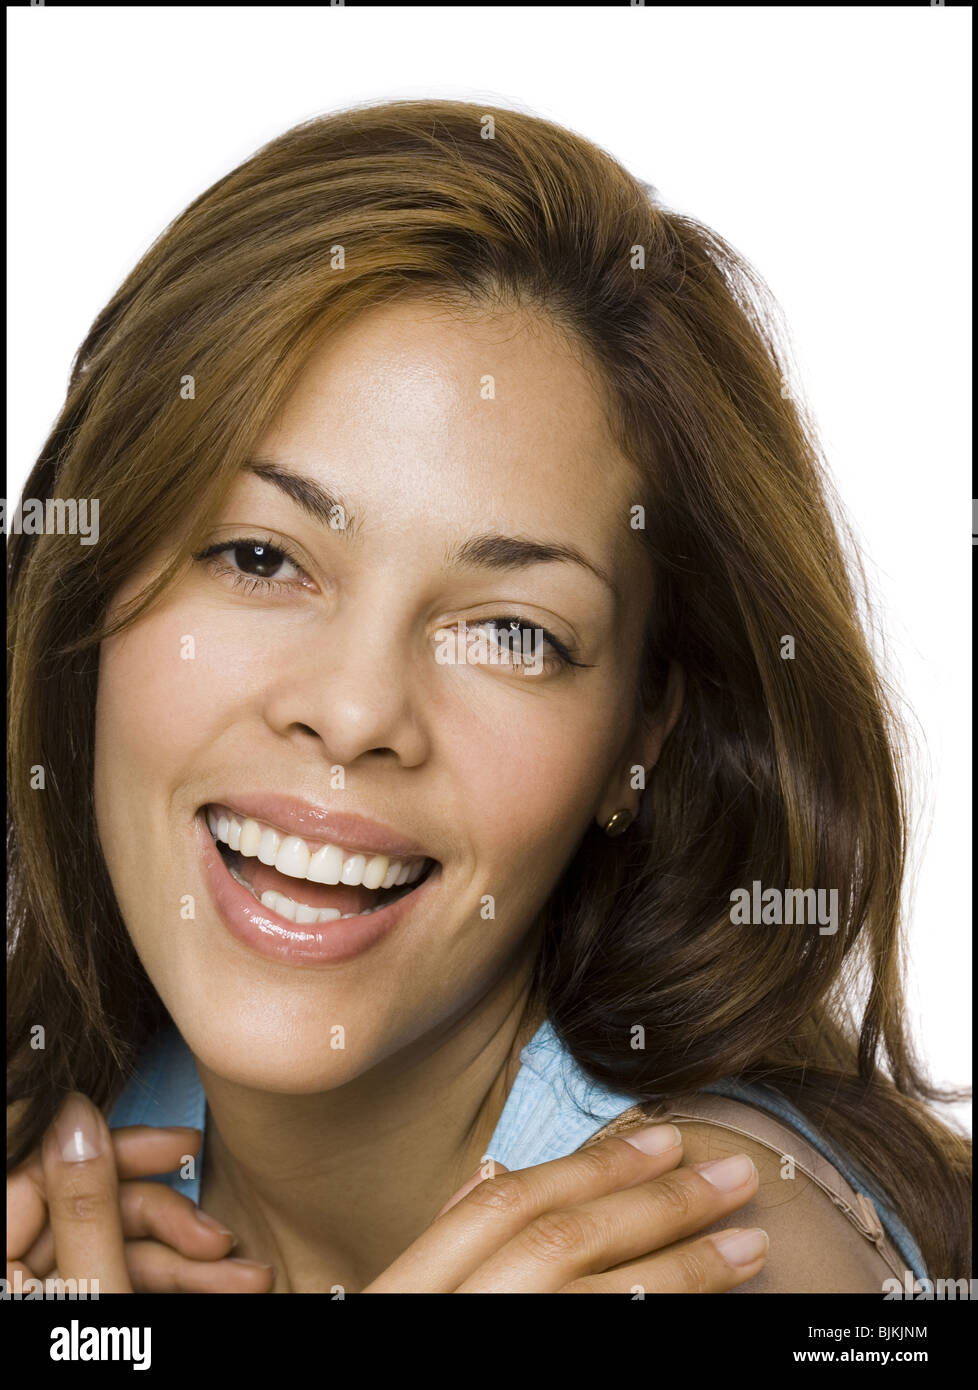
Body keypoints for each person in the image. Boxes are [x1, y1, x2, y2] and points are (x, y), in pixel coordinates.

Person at [7, 99, 970, 1294]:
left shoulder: (723, 1255)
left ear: (641, 734)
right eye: (259, 557)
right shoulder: (65, 1177)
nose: (355, 711)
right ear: (89, 586)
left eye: (512, 631)